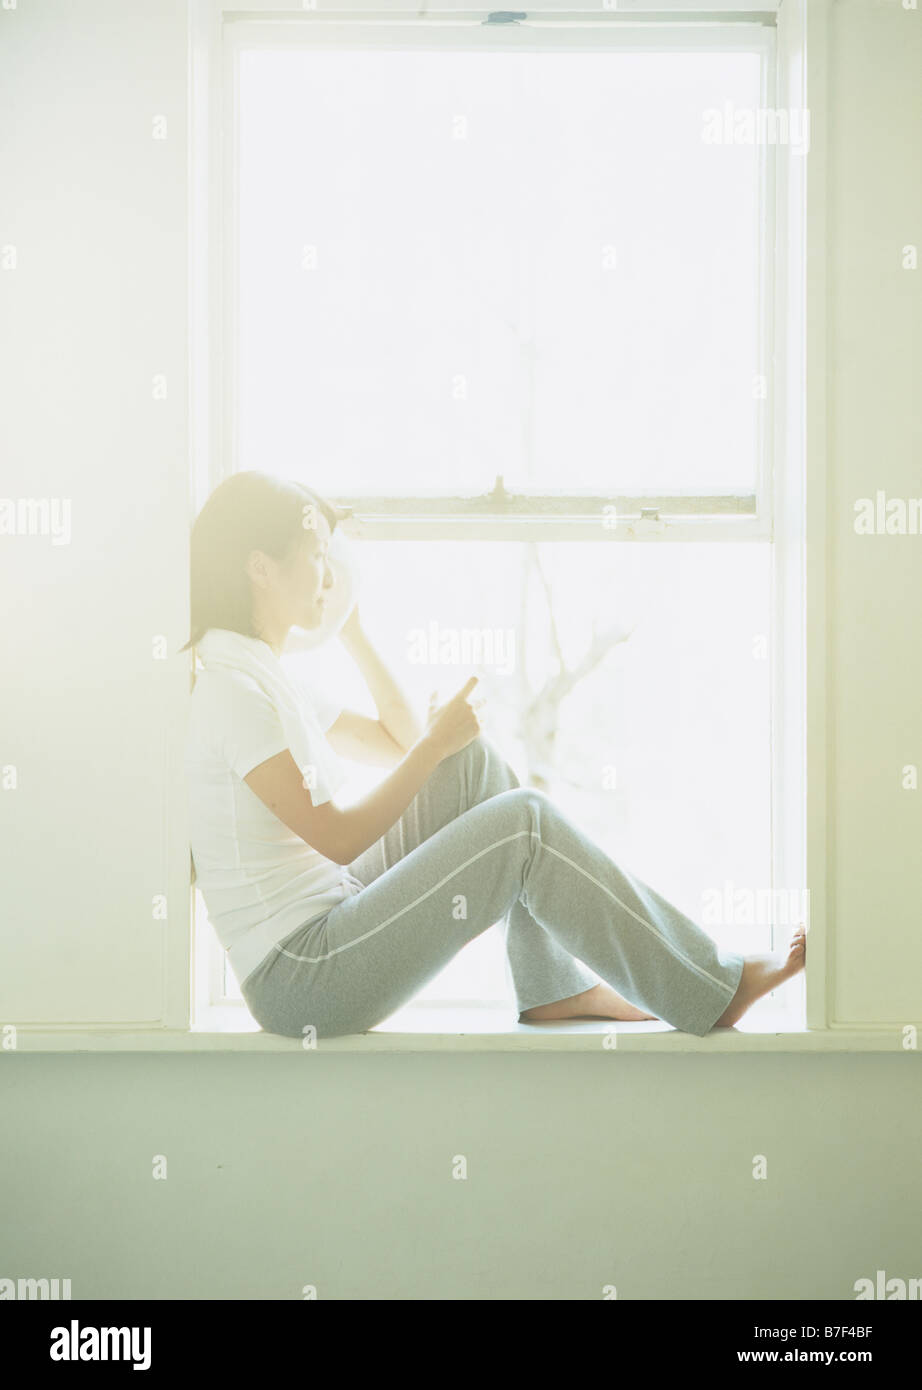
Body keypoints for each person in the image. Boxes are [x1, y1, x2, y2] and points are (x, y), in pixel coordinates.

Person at [182, 471, 806, 1041]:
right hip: (301, 977)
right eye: (316, 558)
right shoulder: (233, 692)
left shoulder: (267, 676)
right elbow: (339, 838)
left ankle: (551, 986)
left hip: (330, 915)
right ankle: (710, 988)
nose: (327, 575)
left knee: (469, 766)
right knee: (524, 823)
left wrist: (350, 626)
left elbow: (397, 740)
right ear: (260, 568)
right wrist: (431, 743)